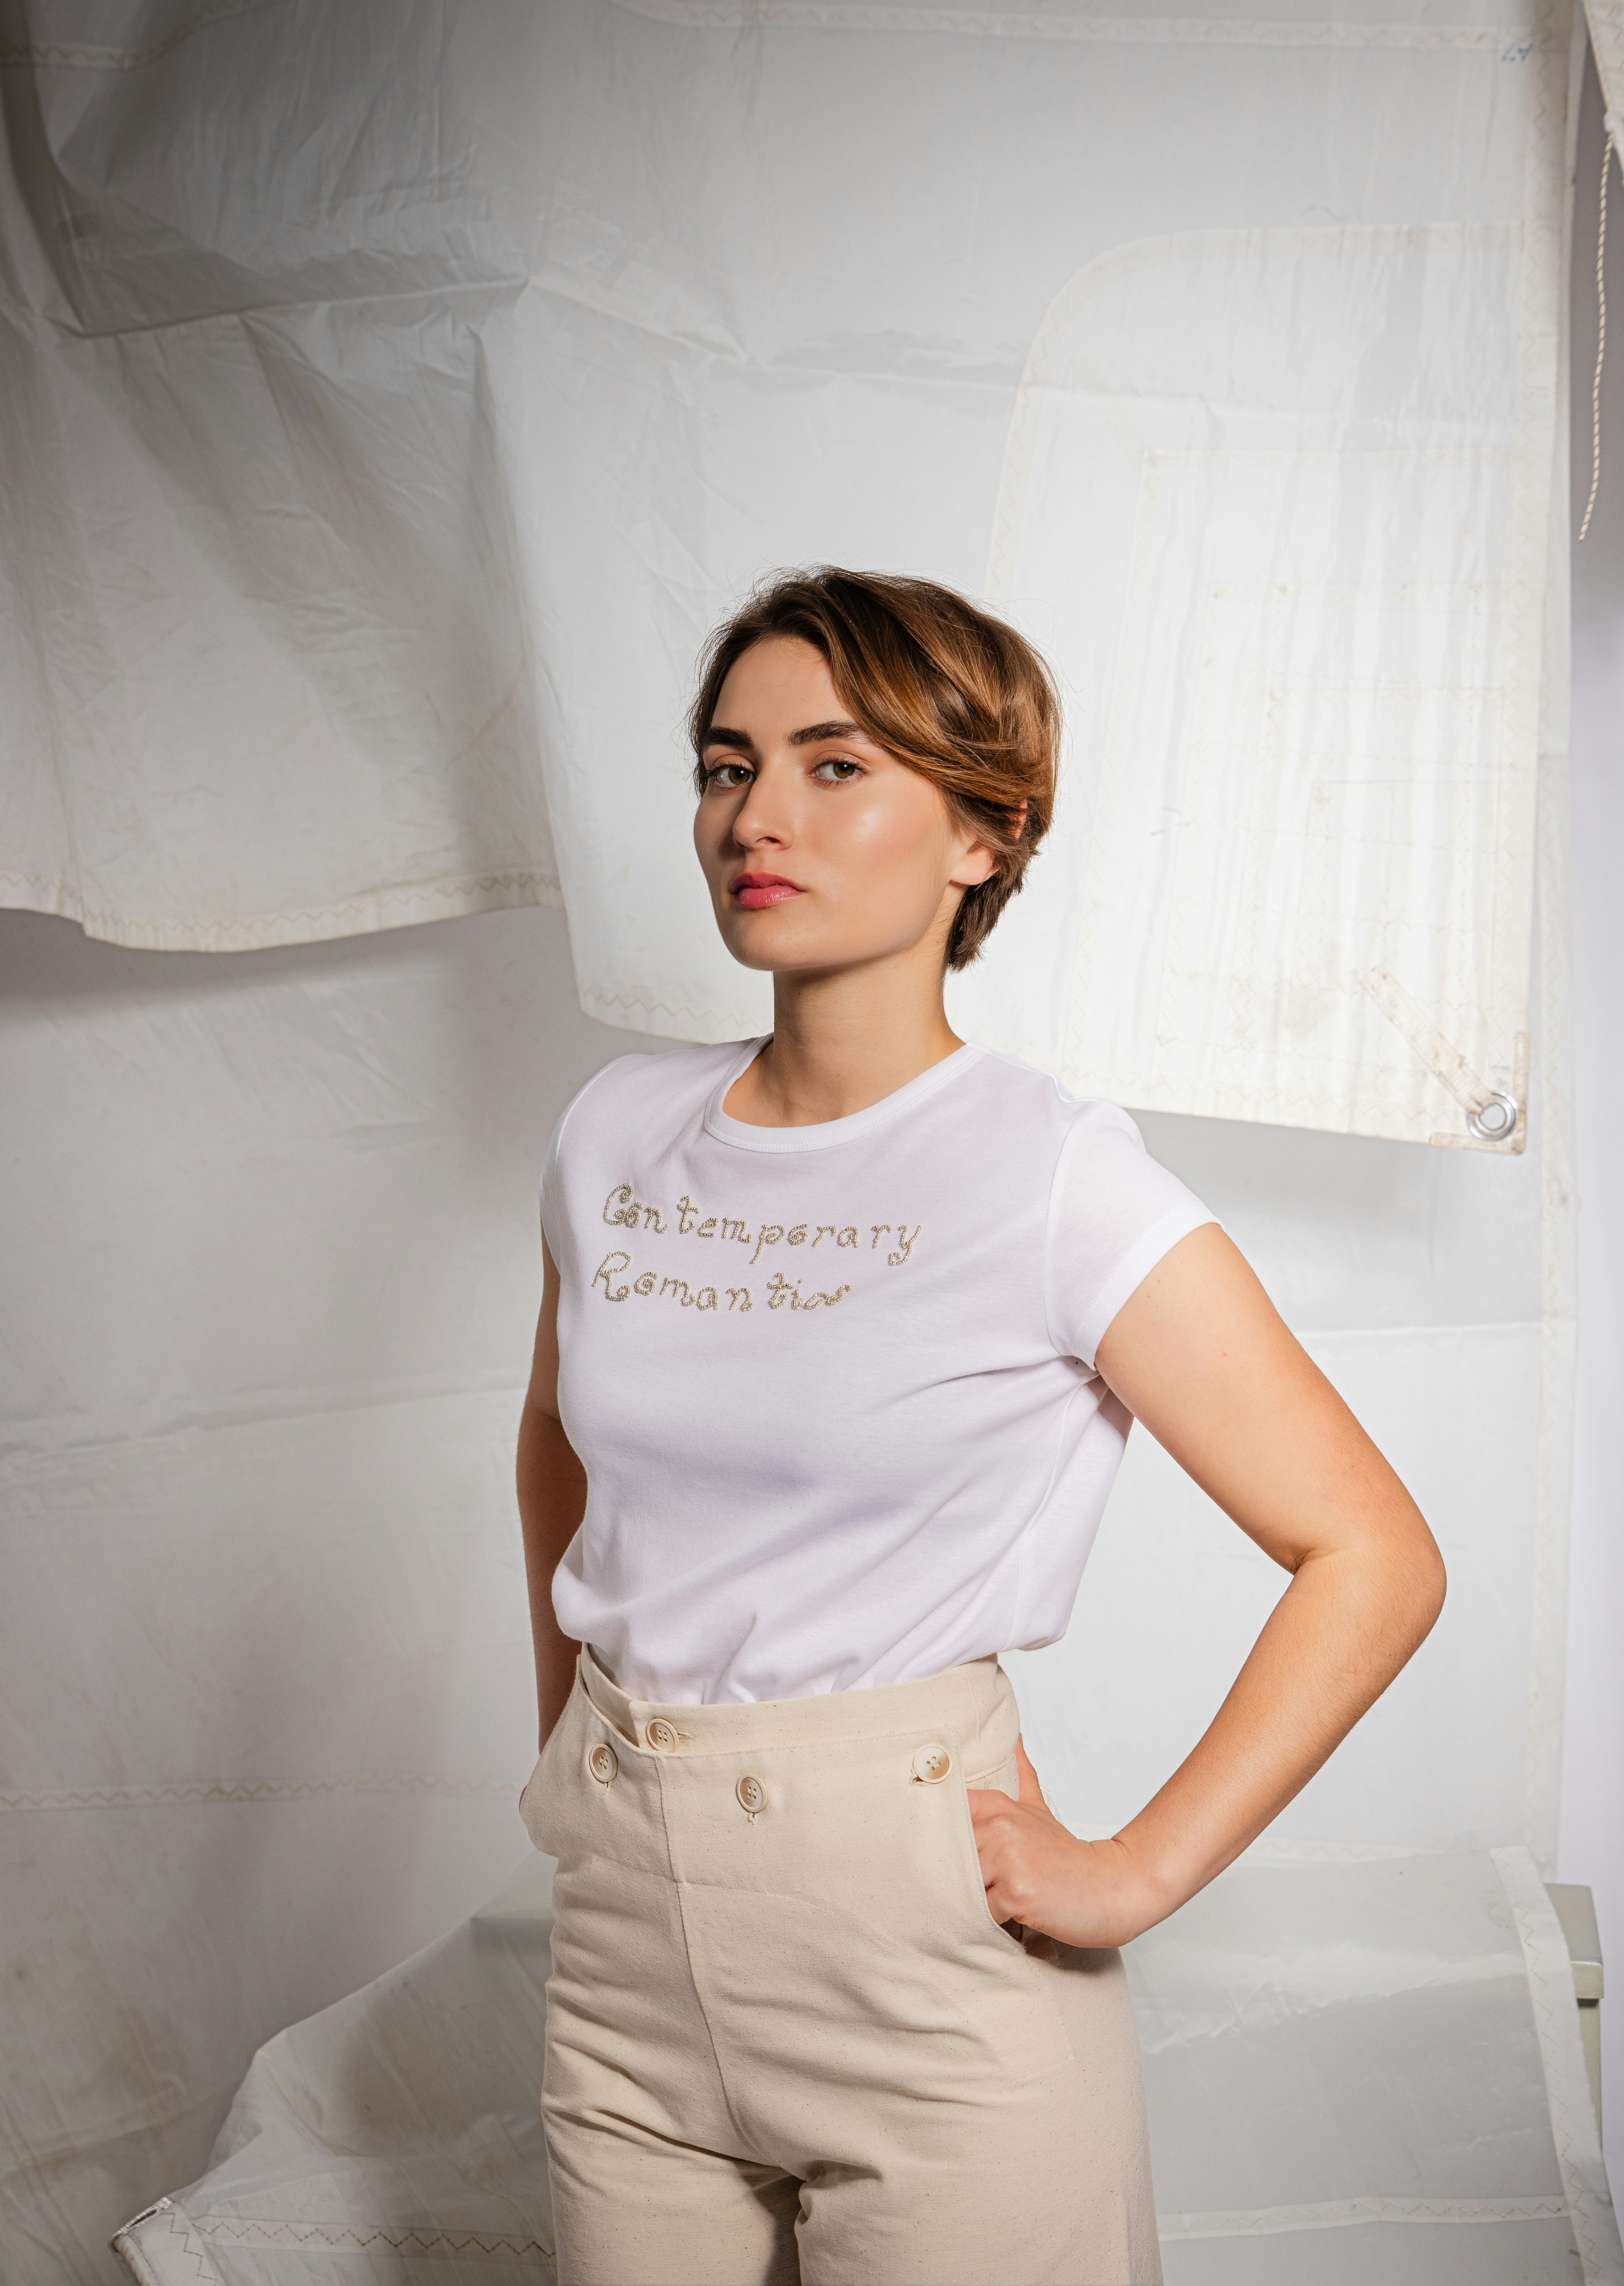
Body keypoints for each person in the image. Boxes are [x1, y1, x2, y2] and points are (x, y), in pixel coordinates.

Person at [514, 568, 1446, 2286]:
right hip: (622, 1944)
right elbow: (562, 1443)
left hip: (922, 1959)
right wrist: (567, 1738)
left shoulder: (1051, 1173)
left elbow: (1370, 1554)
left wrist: (1134, 1872)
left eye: (833, 764)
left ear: (985, 836)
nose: (756, 817)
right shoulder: (613, 1130)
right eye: (727, 767)